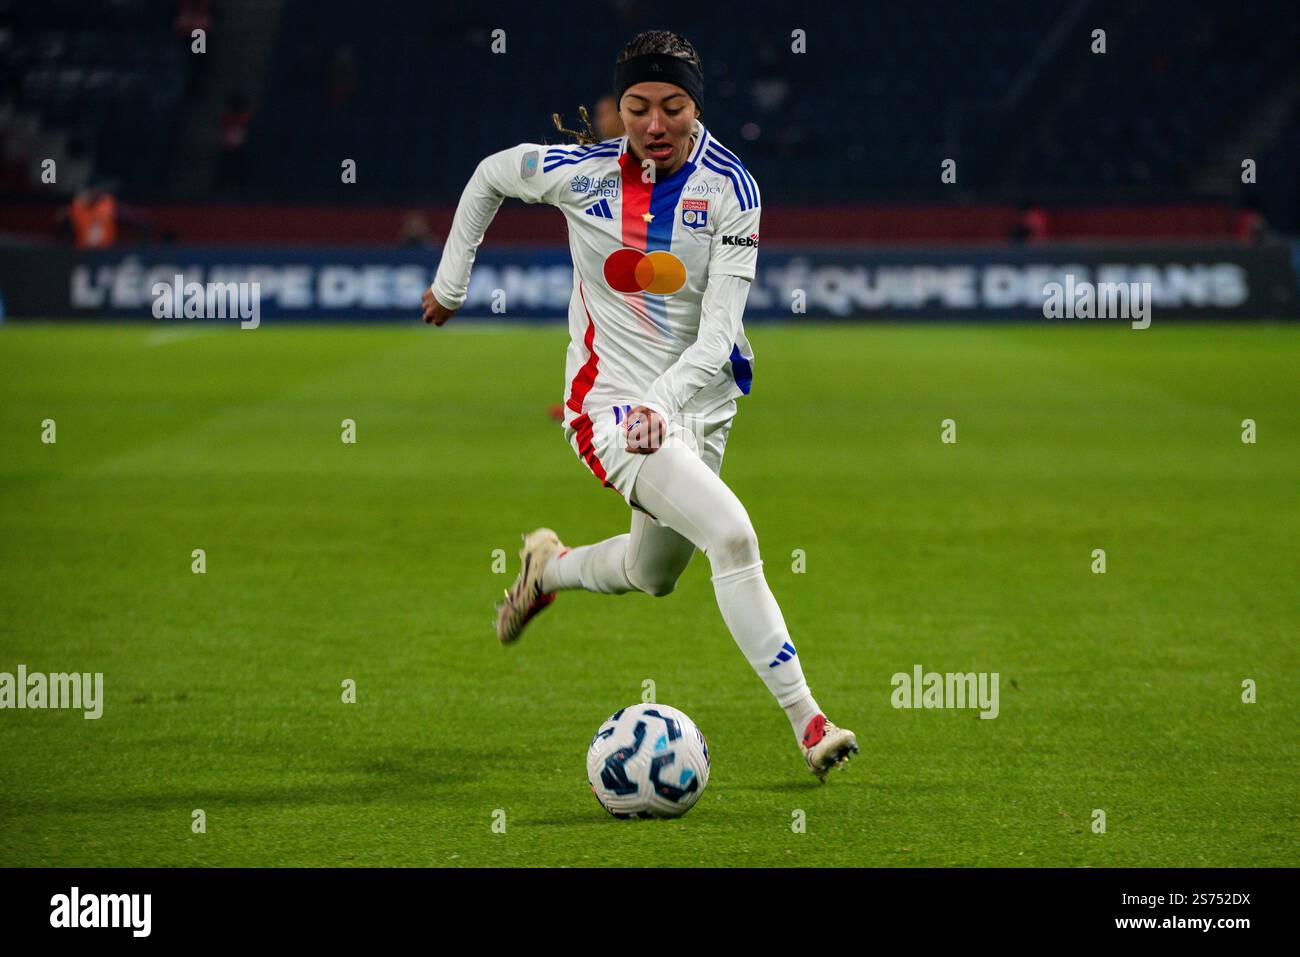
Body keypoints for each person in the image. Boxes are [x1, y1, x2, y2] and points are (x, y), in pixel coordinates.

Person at [421, 30, 858, 781]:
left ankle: (547, 570)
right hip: (611, 407)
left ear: (697, 106)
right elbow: (491, 174)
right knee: (732, 536)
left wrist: (666, 401)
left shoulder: (732, 190)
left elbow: (719, 332)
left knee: (653, 574)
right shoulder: (579, 173)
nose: (654, 124)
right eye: (637, 107)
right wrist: (451, 283)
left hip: (697, 403)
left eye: (672, 107)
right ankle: (809, 721)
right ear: (618, 107)